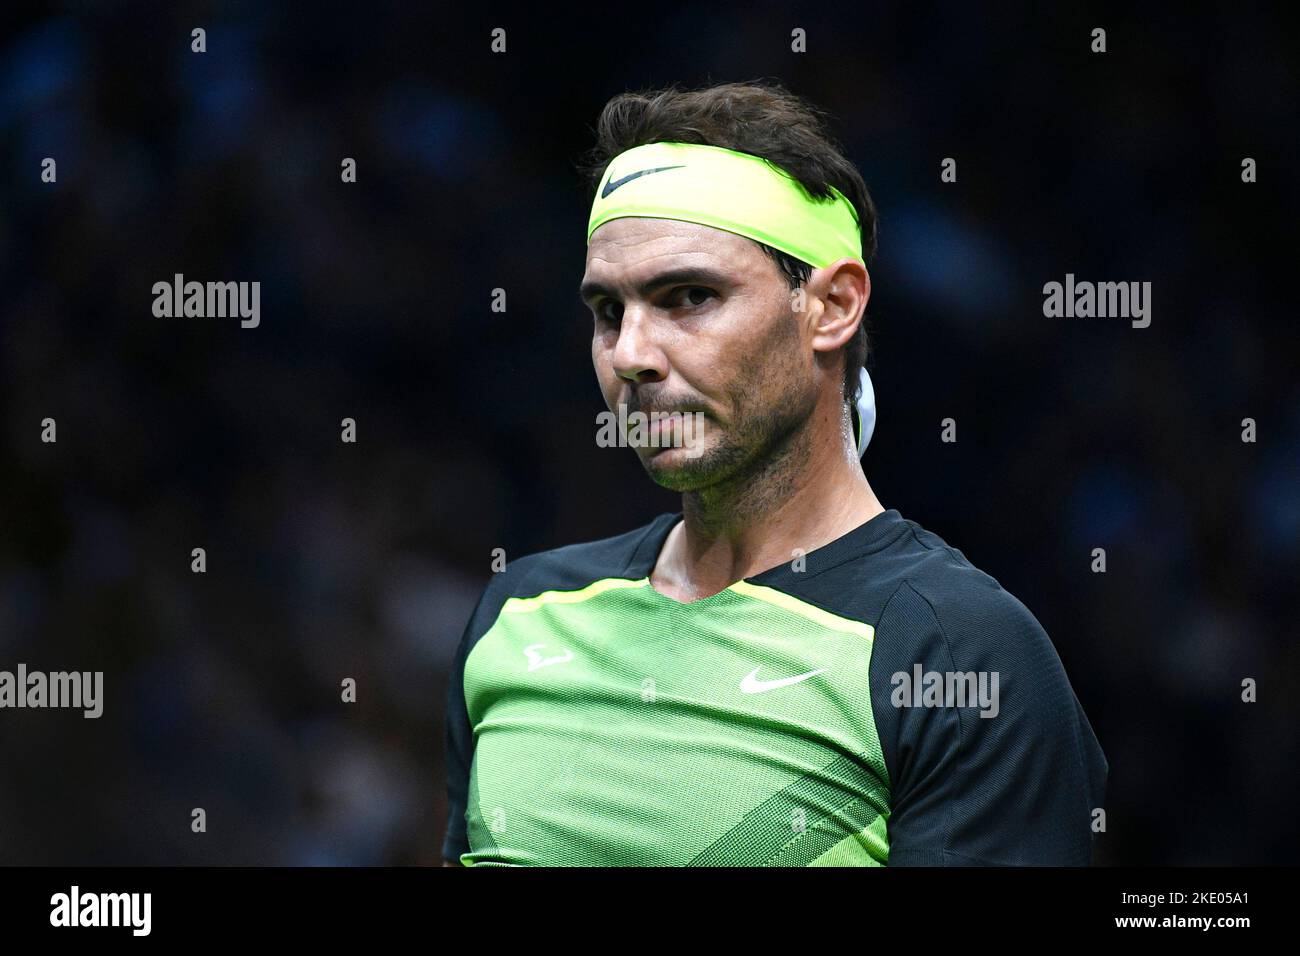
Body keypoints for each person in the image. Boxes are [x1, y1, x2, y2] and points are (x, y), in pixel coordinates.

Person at [442, 80, 1107, 866]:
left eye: (689, 296)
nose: (631, 356)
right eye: (609, 312)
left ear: (831, 306)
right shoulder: (518, 614)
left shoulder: (957, 654)